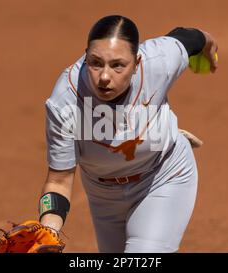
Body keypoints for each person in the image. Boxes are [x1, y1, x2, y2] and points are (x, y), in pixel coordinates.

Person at [38, 15, 218, 253]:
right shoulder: (65, 101)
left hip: (162, 176)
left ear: (137, 63)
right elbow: (58, 181)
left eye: (117, 65)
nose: (104, 76)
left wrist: (208, 43)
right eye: (95, 62)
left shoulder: (158, 61)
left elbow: (188, 38)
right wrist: (48, 233)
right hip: (102, 195)